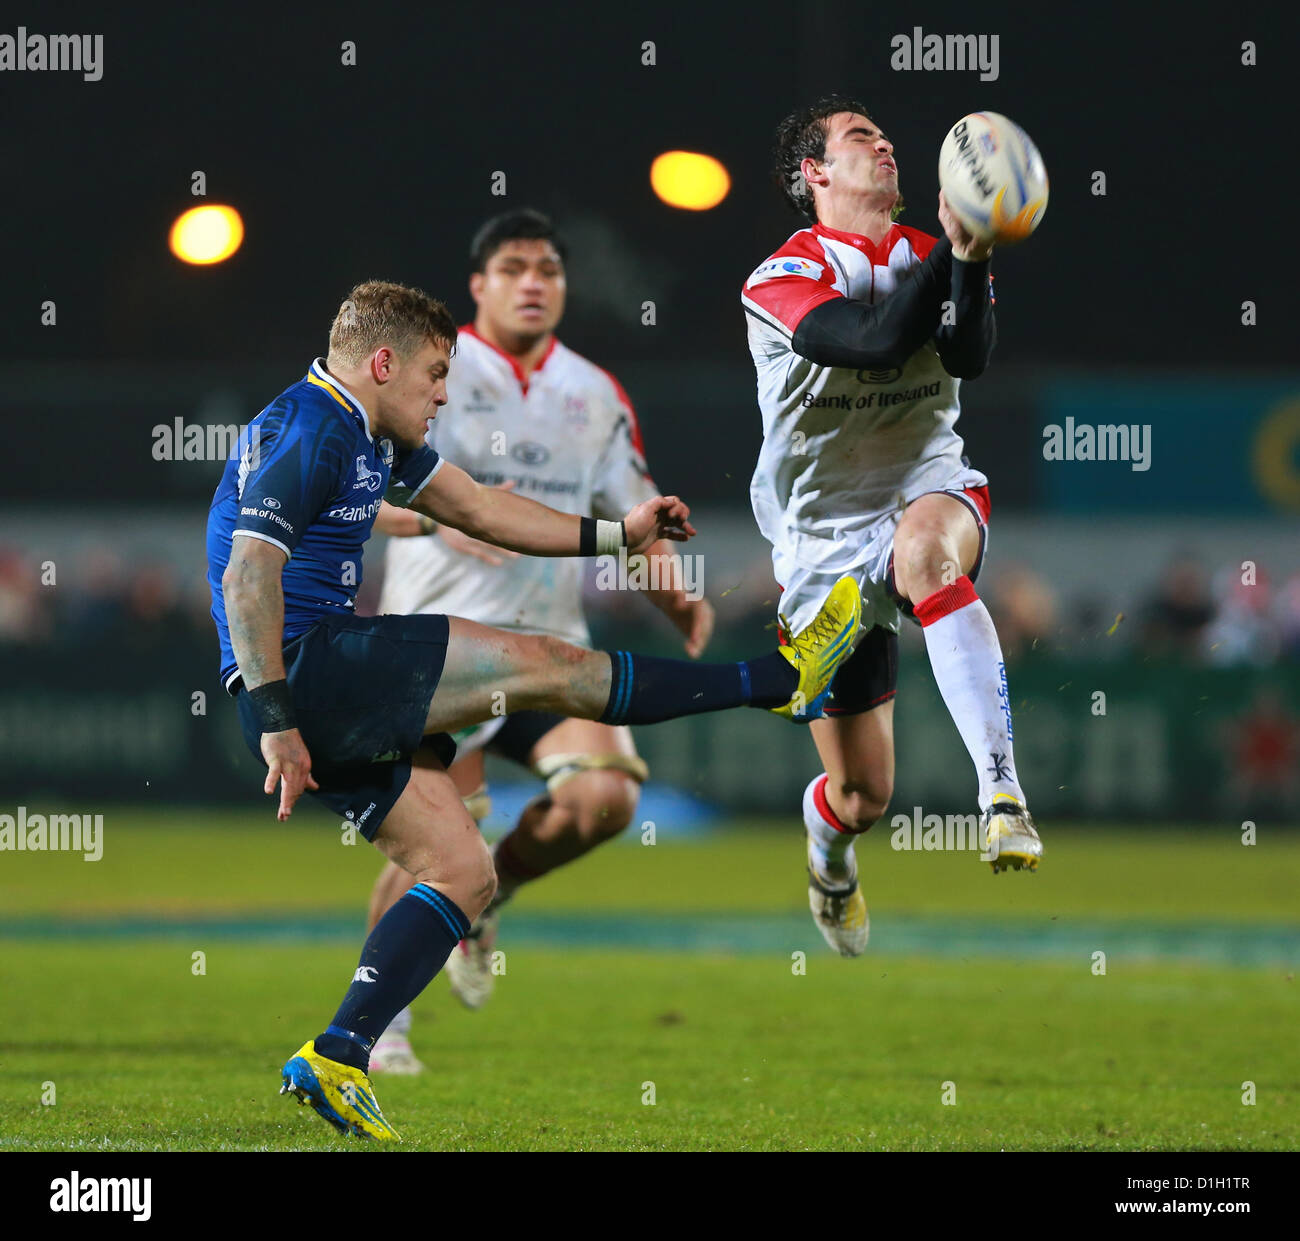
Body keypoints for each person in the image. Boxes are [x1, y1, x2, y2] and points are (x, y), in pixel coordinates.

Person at [204, 279, 860, 1139]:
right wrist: (280, 719)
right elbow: (246, 574)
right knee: (552, 664)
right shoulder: (313, 425)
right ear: (383, 361)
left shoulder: (367, 432)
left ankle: (338, 1052)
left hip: (308, 685)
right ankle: (779, 681)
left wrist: (617, 534)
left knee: (465, 871)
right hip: (311, 670)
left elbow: (481, 507)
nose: (444, 392)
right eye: (435, 374)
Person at [364, 210, 715, 1073]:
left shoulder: (594, 392)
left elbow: (631, 514)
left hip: (552, 643)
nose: (533, 282)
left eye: (549, 269)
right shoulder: (427, 372)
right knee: (439, 838)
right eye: (513, 267)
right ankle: (380, 1026)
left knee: (604, 800)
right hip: (442, 647)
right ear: (477, 285)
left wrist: (683, 605)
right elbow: (350, 493)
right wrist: (436, 524)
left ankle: (491, 896)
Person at [741, 96, 1043, 958]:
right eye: (859, 137)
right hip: (823, 540)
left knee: (925, 551)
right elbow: (871, 340)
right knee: (865, 794)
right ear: (816, 174)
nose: (885, 145)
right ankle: (828, 854)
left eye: (886, 133)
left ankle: (1002, 795)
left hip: (927, 486)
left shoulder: (929, 251)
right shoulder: (777, 279)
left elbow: (968, 356)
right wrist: (954, 254)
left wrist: (969, 259)